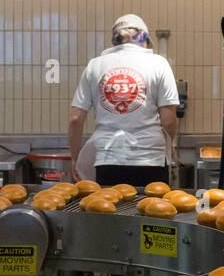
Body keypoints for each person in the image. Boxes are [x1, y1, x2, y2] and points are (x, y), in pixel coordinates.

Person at [69, 14, 179, 188]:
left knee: (112, 205)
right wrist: (169, 143)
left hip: (108, 159)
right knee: (151, 205)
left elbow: (75, 119)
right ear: (143, 38)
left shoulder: (95, 66)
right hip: (151, 159)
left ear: (115, 39)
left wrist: (76, 158)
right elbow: (169, 120)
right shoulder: (159, 63)